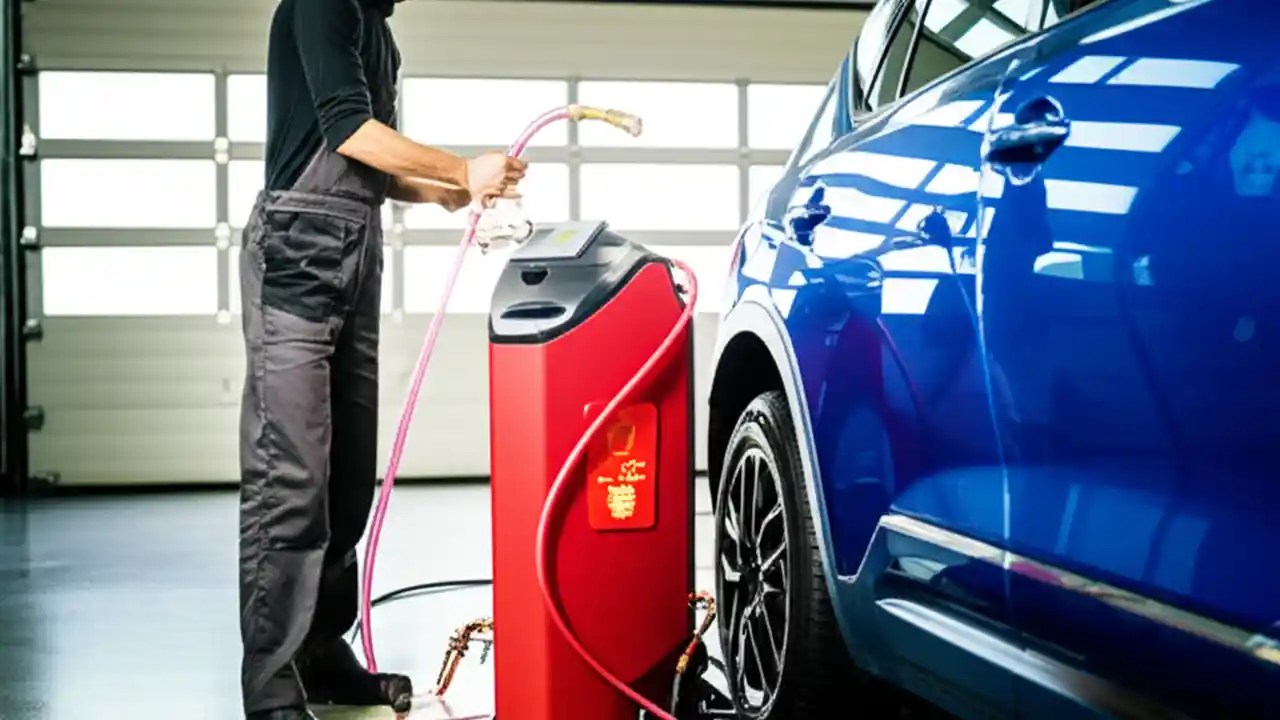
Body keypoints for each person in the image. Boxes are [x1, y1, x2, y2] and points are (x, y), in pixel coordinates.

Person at [236, 0, 525, 718]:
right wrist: (462, 165)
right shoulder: (321, 3)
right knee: (292, 478)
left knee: (345, 482)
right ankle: (272, 686)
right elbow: (350, 129)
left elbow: (375, 162)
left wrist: (454, 191)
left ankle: (323, 656)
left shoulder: (380, 35)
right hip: (297, 253)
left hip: (355, 258)